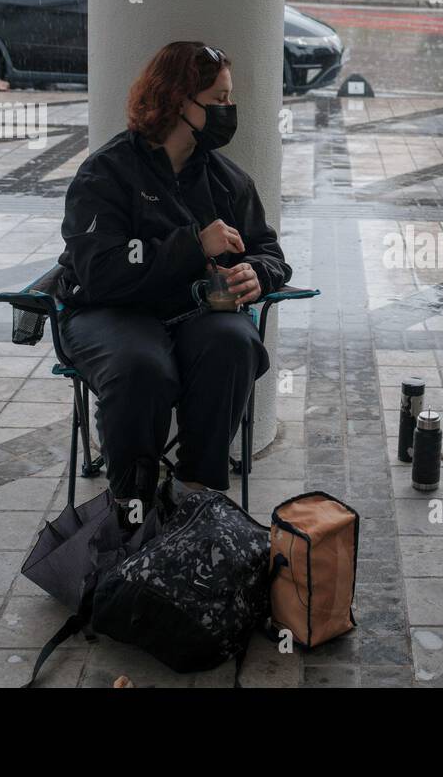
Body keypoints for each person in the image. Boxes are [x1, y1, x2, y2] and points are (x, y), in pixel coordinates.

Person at [55, 42, 291, 521]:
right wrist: (192, 245)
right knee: (141, 366)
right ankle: (132, 504)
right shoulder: (107, 171)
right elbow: (100, 272)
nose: (229, 111)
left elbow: (269, 252)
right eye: (219, 100)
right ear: (179, 101)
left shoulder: (228, 181)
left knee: (234, 342)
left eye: (230, 99)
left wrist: (257, 274)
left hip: (193, 312)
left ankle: (193, 492)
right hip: (110, 312)